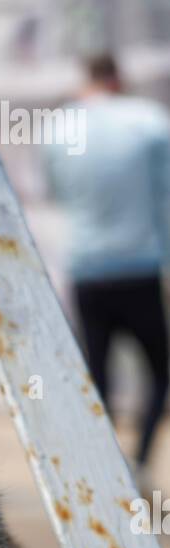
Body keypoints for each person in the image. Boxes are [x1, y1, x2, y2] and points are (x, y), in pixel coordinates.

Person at [46, 54, 170, 470]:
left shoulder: (59, 125)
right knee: (160, 371)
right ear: (118, 78)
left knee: (97, 376)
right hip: (140, 267)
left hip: (85, 269)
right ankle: (140, 458)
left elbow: (57, 191)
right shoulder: (150, 120)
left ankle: (105, 463)